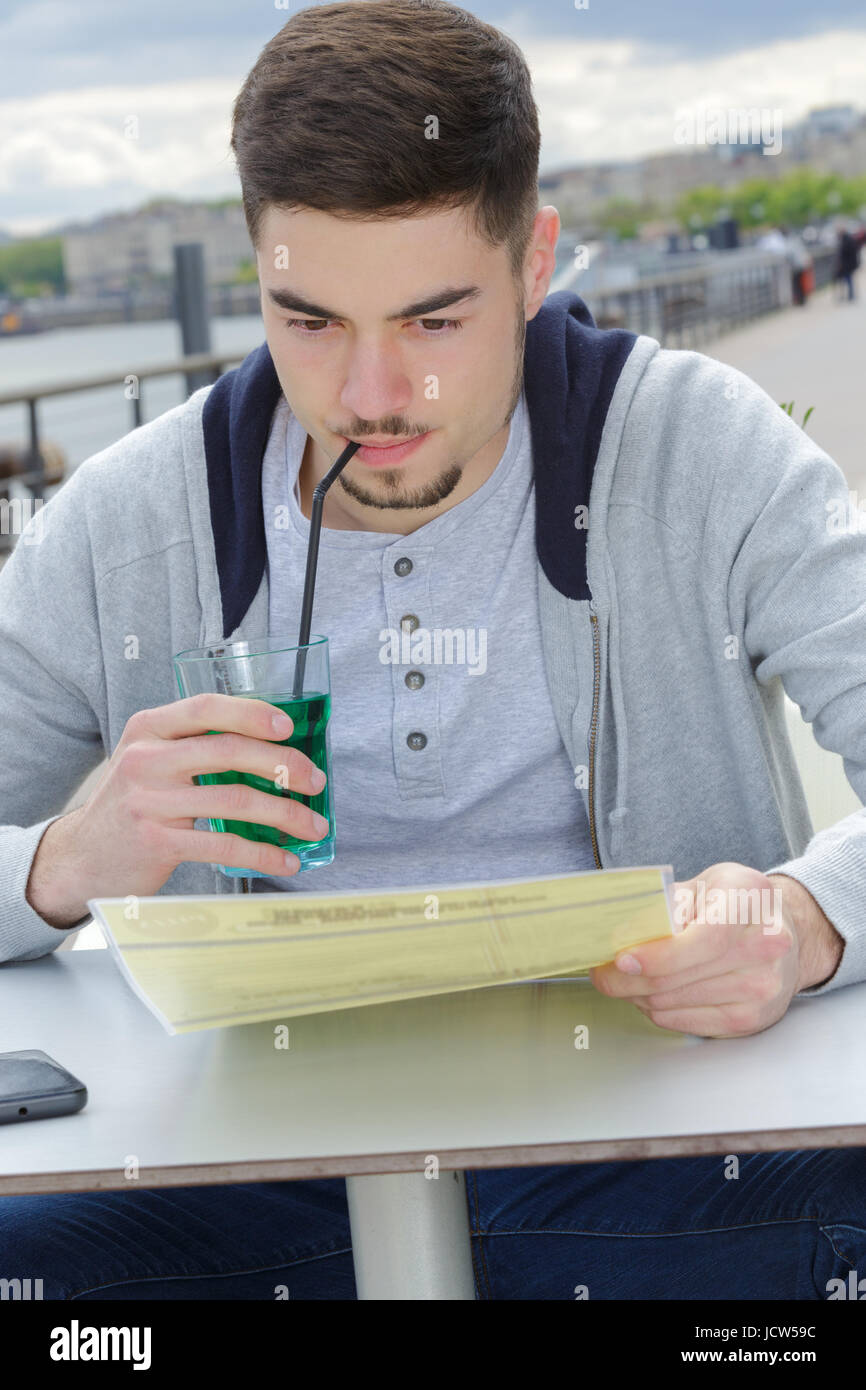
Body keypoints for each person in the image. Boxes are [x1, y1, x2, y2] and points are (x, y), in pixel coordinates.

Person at [1, 0, 866, 1301]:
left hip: (659, 1136)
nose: (368, 394)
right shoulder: (131, 518)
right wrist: (61, 864)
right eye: (309, 320)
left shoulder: (702, 449)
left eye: (432, 320)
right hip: (235, 1167)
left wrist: (807, 918)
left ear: (534, 266)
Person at [833, 222, 861, 302]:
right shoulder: (846, 238)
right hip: (848, 264)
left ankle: (850, 295)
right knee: (848, 280)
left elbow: (847, 252)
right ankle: (850, 295)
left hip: (848, 264)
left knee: (848, 280)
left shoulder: (847, 239)